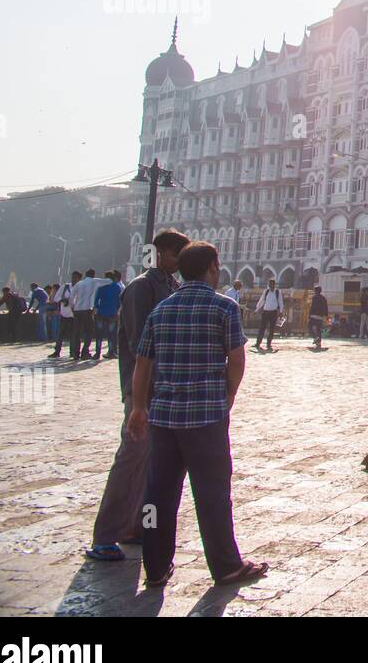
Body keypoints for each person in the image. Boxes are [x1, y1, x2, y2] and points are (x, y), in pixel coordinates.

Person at [128, 240, 268, 588]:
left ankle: (155, 566)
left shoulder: (160, 310)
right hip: (206, 416)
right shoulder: (224, 307)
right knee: (213, 494)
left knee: (157, 495)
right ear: (211, 268)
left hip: (164, 418)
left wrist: (138, 408)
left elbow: (142, 363)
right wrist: (229, 395)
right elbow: (236, 359)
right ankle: (225, 565)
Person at [86, 229, 187, 562]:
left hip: (166, 388)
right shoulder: (141, 288)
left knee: (152, 466)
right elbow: (140, 343)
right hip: (143, 389)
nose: (180, 262)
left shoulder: (172, 286)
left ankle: (138, 527)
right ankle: (105, 535)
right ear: (161, 253)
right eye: (177, 255)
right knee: (131, 459)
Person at [70, 268, 110, 359]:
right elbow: (108, 281)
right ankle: (85, 352)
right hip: (87, 310)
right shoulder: (94, 281)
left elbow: (71, 297)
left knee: (77, 332)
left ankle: (75, 353)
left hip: (77, 310)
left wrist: (72, 307)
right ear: (93, 275)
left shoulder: (79, 283)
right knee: (89, 331)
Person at [93, 271, 123, 360]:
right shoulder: (117, 287)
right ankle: (111, 352)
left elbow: (96, 301)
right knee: (111, 335)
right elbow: (119, 301)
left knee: (99, 334)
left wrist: (98, 308)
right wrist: (116, 309)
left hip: (101, 312)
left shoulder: (101, 287)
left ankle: (97, 353)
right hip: (112, 313)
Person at [254, 279, 283, 351]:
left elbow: (280, 302)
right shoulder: (266, 291)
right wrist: (257, 310)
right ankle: (258, 343)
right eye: (269, 284)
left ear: (274, 284)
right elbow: (261, 300)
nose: (270, 286)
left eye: (271, 284)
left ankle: (268, 344)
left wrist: (281, 312)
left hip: (273, 312)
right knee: (262, 328)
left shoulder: (277, 292)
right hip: (265, 312)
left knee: (272, 329)